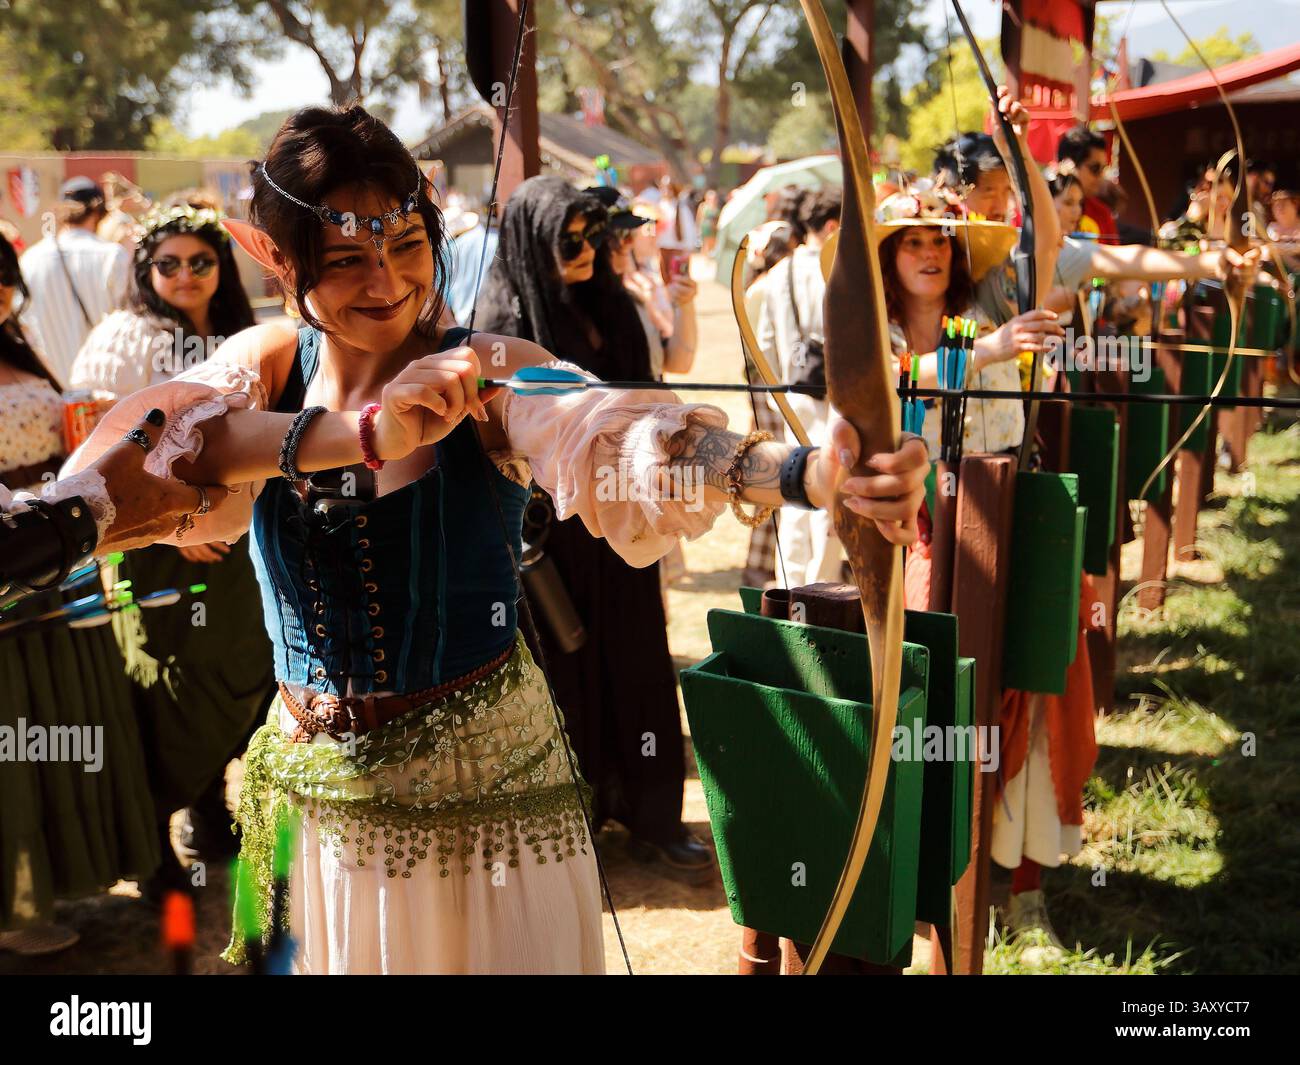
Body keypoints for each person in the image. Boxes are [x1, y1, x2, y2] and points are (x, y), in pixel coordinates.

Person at [65, 105, 930, 974]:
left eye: (406, 245)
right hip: (306, 792)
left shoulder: (492, 366)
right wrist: (365, 433)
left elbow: (620, 430)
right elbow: (151, 448)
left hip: (482, 791)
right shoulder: (267, 366)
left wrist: (805, 475)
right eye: (346, 261)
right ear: (276, 259)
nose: (387, 282)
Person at [477, 176, 714, 882]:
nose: (584, 252)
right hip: (547, 540)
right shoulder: (501, 324)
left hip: (624, 528)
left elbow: (650, 403)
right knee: (561, 674)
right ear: (531, 241)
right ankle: (568, 825)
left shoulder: (613, 305)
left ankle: (653, 815)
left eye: (592, 236)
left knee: (639, 663)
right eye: (567, 238)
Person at [70, 203, 275, 895]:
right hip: (157, 540)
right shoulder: (122, 337)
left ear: (222, 267)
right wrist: (173, 524)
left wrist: (219, 516)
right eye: (168, 263)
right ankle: (155, 838)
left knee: (242, 671)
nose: (185, 275)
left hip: (236, 533)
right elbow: (101, 448)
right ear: (144, 268)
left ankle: (209, 808)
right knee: (171, 682)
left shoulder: (243, 335)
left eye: (201, 262)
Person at [0, 230, 159, 956]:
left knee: (59, 722)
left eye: (3, 276)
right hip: (16, 568)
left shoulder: (22, 349)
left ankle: (46, 888)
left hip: (57, 566)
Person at [756, 188, 842, 587]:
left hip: (790, 390)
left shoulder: (779, 272)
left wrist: (779, 389)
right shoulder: (835, 269)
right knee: (828, 482)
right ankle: (819, 583)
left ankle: (791, 583)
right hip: (832, 395)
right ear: (831, 226)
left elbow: (766, 341)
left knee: (792, 482)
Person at [17, 177, 130, 383]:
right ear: (98, 212)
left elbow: (23, 328)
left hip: (53, 389)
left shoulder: (30, 259)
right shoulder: (113, 256)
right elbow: (130, 324)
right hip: (103, 389)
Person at [594, 186, 698, 380]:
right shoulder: (599, 300)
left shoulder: (643, 284)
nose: (628, 243)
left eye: (630, 233)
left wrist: (685, 303)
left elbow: (676, 362)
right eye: (621, 235)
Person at [1056, 126, 1117, 244]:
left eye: (1103, 169)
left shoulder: (1102, 214)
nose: (1101, 176)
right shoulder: (1043, 207)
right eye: (1095, 168)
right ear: (1069, 164)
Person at [654, 176, 699, 282]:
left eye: (668, 188)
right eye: (663, 188)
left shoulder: (681, 207)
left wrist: (688, 248)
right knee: (665, 276)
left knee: (679, 277)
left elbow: (689, 229)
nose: (665, 191)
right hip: (663, 247)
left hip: (678, 248)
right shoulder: (660, 206)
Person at [697, 189, 721, 257]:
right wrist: (698, 229)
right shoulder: (703, 206)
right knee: (705, 245)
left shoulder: (716, 207)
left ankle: (709, 260)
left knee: (712, 246)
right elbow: (699, 218)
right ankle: (704, 260)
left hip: (714, 229)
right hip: (705, 228)